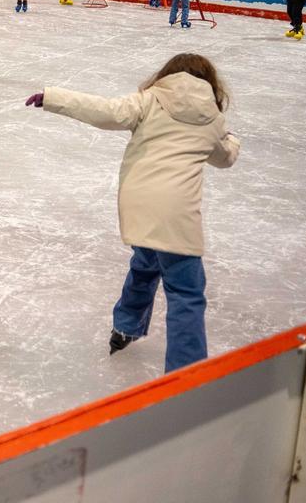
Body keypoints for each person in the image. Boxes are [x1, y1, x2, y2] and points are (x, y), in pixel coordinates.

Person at [25, 53, 239, 373]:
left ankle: (126, 325)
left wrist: (54, 98)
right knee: (186, 294)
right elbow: (225, 158)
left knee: (146, 263)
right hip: (176, 212)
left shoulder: (150, 100)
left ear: (168, 74)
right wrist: (232, 140)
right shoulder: (211, 119)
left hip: (139, 203)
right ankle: (185, 376)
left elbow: (105, 111)